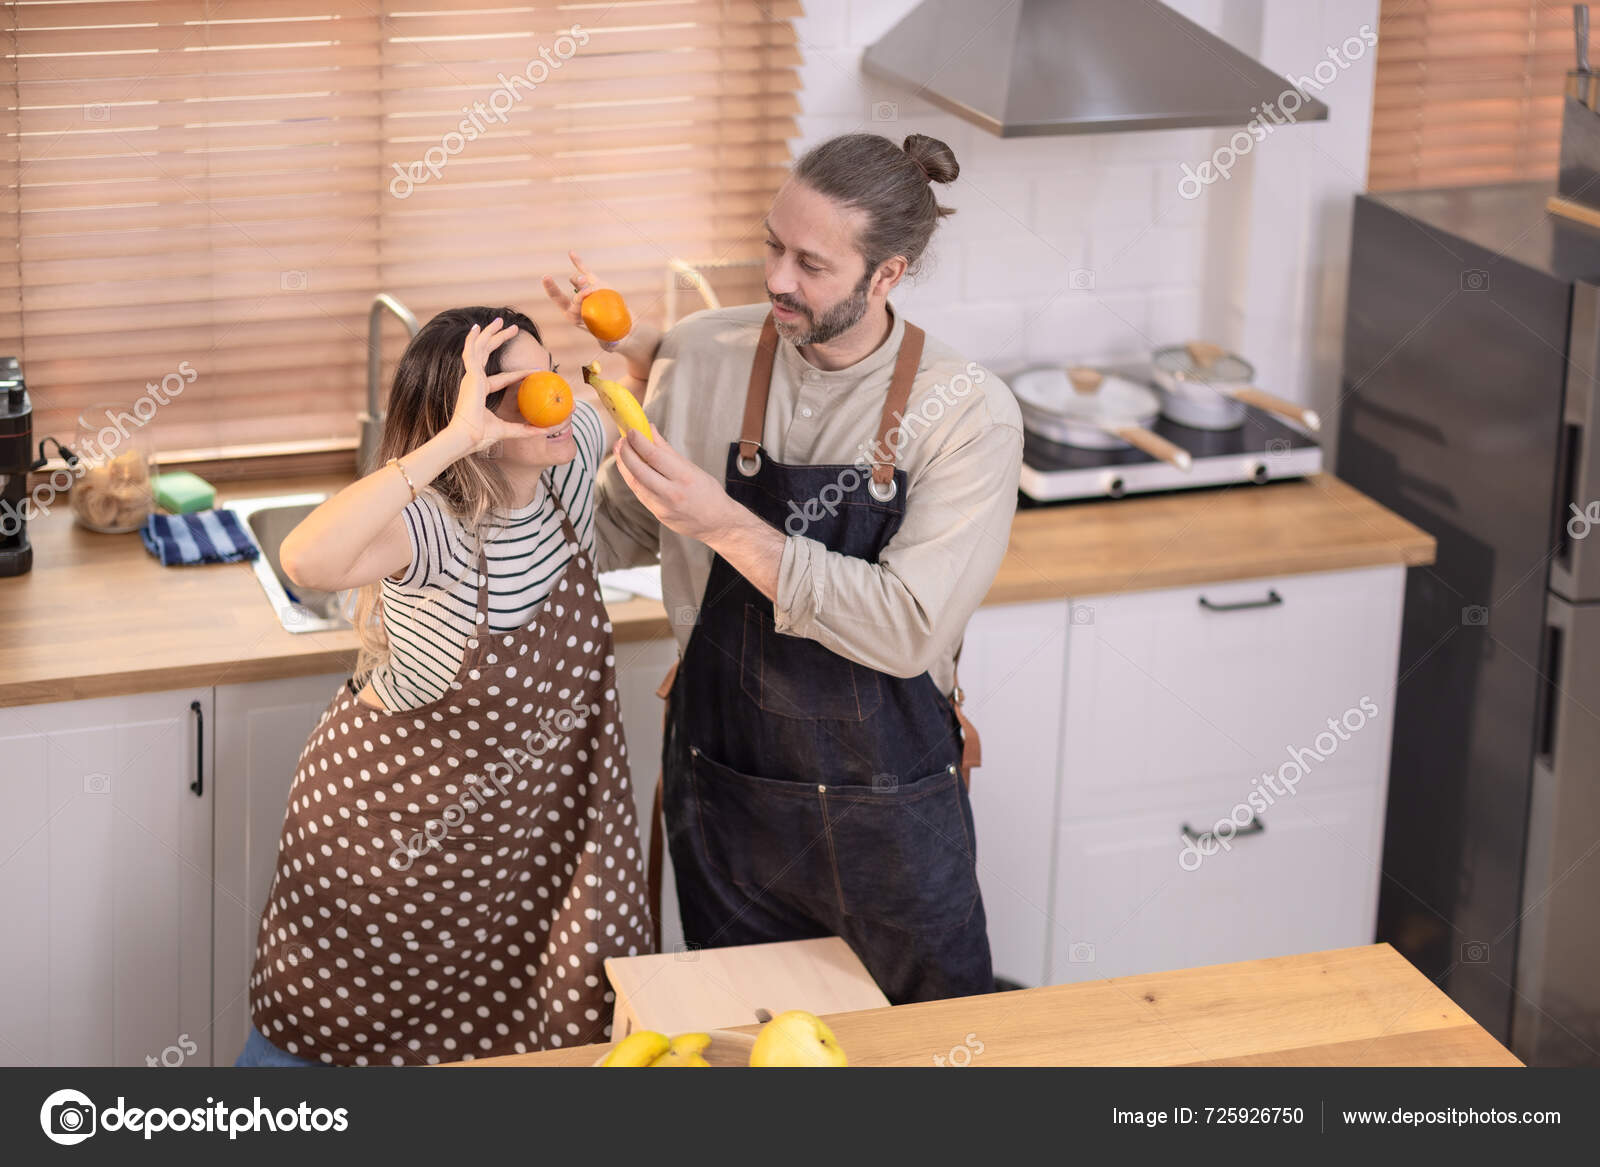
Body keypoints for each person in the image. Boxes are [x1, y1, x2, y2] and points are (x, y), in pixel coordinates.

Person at [545, 132, 1024, 1003]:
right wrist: (484, 479)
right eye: (772, 245)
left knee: (929, 1058)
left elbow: (906, 625)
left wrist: (724, 523)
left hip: (891, 812)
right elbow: (618, 526)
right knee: (746, 1050)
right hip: (726, 790)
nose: (776, 280)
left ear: (888, 275)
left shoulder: (967, 413)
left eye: (811, 262)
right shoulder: (700, 355)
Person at [237, 307, 652, 1065]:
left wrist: (628, 346)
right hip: (392, 846)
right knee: (326, 1045)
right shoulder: (433, 526)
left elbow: (633, 404)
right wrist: (455, 443)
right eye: (517, 388)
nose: (552, 394)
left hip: (525, 848)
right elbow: (306, 561)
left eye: (549, 370)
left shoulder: (570, 454)